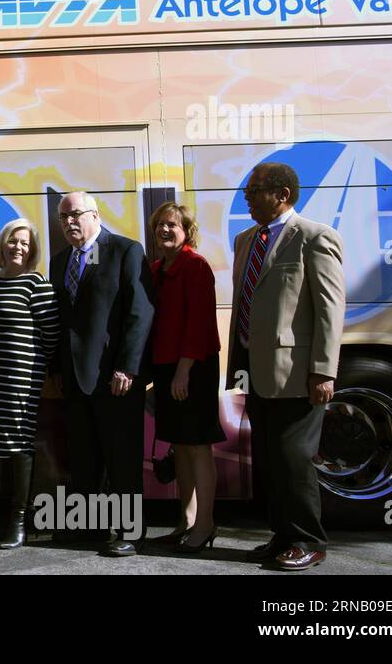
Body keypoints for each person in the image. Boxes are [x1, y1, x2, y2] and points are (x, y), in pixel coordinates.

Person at [228, 162, 345, 571]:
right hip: (256, 371)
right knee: (269, 459)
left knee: (293, 457)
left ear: (282, 194)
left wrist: (324, 371)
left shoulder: (314, 237)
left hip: (297, 372)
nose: (247, 197)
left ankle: (309, 540)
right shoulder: (246, 240)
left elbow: (330, 309)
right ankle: (283, 536)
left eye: (254, 190)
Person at [48, 191, 154, 556]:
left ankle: (130, 531)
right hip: (75, 378)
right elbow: (60, 320)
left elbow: (139, 313)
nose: (68, 223)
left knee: (122, 458)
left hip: (116, 377)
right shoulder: (60, 260)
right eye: (63, 217)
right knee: (85, 457)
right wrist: (57, 368)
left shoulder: (125, 250)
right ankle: (89, 527)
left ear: (95, 214)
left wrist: (128, 366)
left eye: (75, 215)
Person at [148, 202, 224, 554]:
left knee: (197, 447)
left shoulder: (196, 266)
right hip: (167, 369)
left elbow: (199, 323)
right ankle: (187, 521)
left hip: (192, 369)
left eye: (173, 225)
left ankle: (206, 523)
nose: (165, 230)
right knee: (180, 447)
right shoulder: (158, 268)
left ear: (187, 231)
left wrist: (183, 371)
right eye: (160, 224)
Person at [0, 218, 58, 550]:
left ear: (32, 250)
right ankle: (4, 514)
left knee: (18, 441)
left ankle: (19, 522)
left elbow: (52, 334)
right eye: (13, 241)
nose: (18, 247)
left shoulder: (36, 283)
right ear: (3, 244)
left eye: (25, 243)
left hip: (21, 375)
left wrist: (41, 369)